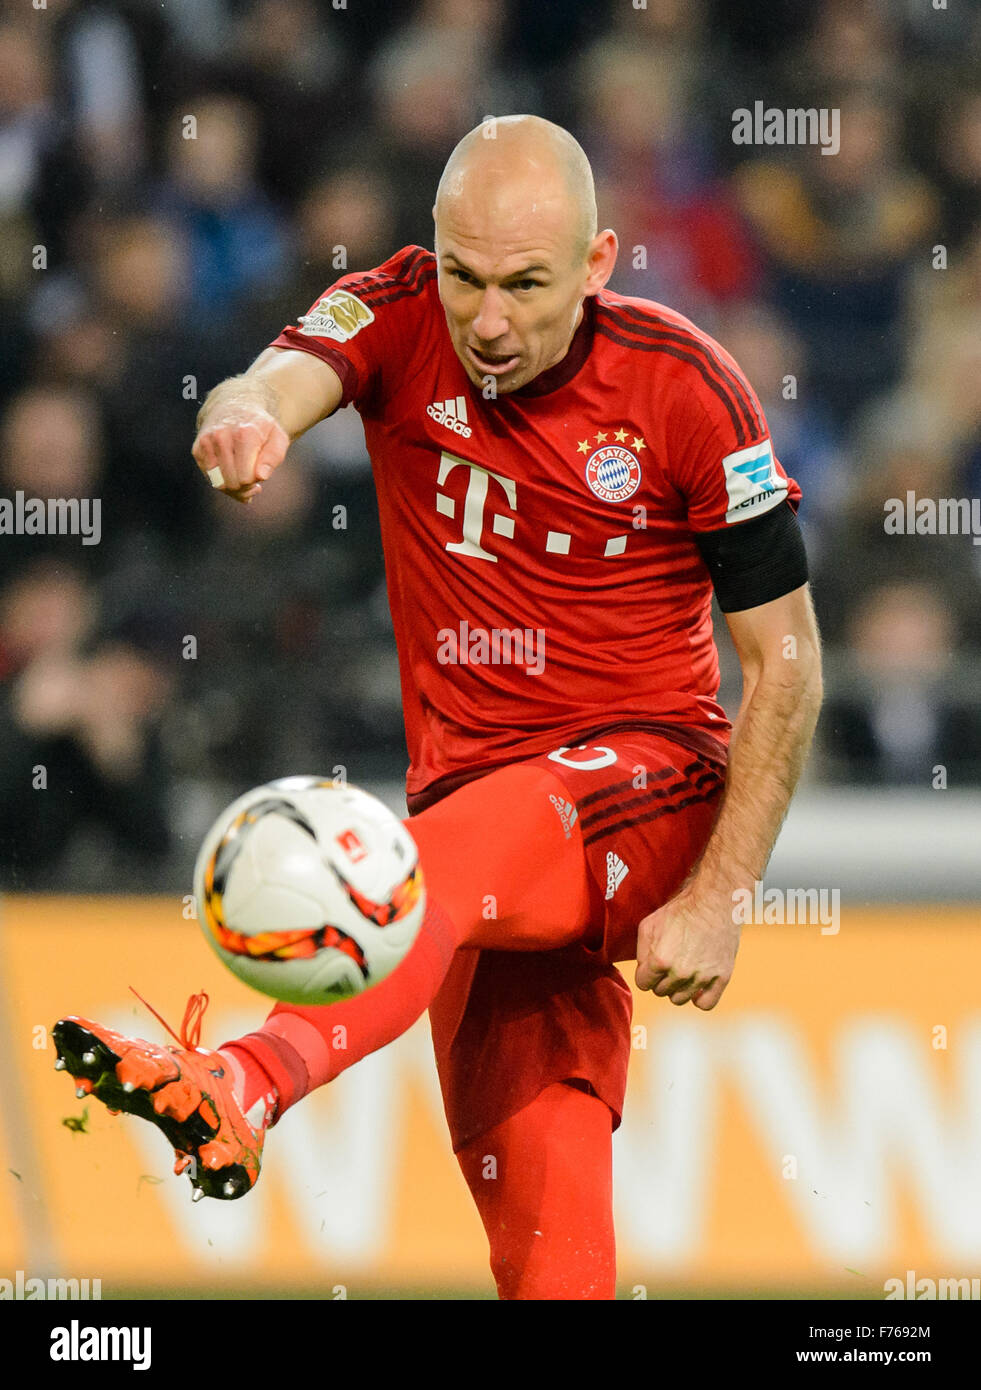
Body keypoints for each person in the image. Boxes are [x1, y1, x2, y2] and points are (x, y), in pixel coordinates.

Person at [53, 115, 823, 1300]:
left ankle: (247, 1080)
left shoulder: (688, 389)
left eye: (526, 284)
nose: (490, 319)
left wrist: (724, 894)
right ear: (433, 250)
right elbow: (278, 378)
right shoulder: (395, 310)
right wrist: (245, 416)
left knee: (433, 860)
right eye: (465, 276)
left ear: (601, 262)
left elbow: (789, 661)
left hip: (642, 786)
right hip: (472, 865)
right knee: (550, 1267)